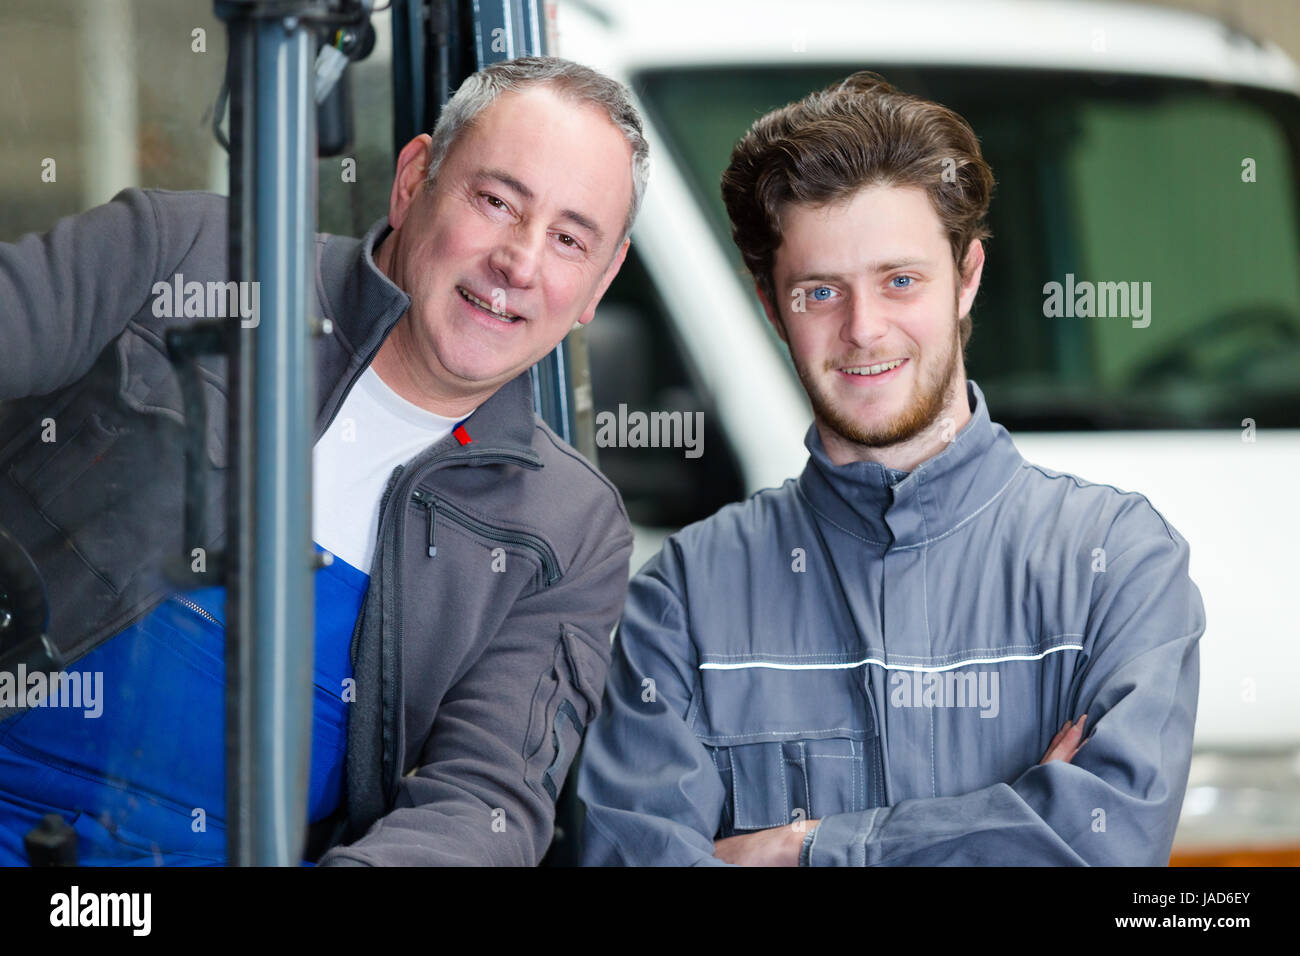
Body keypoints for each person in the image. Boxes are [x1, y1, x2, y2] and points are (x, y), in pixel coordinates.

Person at [0, 55, 642, 866]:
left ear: (599, 283)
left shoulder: (568, 530)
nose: (519, 261)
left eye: (568, 238)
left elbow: (482, 803)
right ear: (413, 181)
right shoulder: (177, 259)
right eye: (495, 201)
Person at [576, 72, 1204, 866]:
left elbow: (1101, 848)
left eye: (900, 281)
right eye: (820, 292)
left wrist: (806, 849)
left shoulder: (1115, 566)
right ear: (772, 307)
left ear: (967, 277)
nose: (864, 329)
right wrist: (1011, 825)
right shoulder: (684, 601)